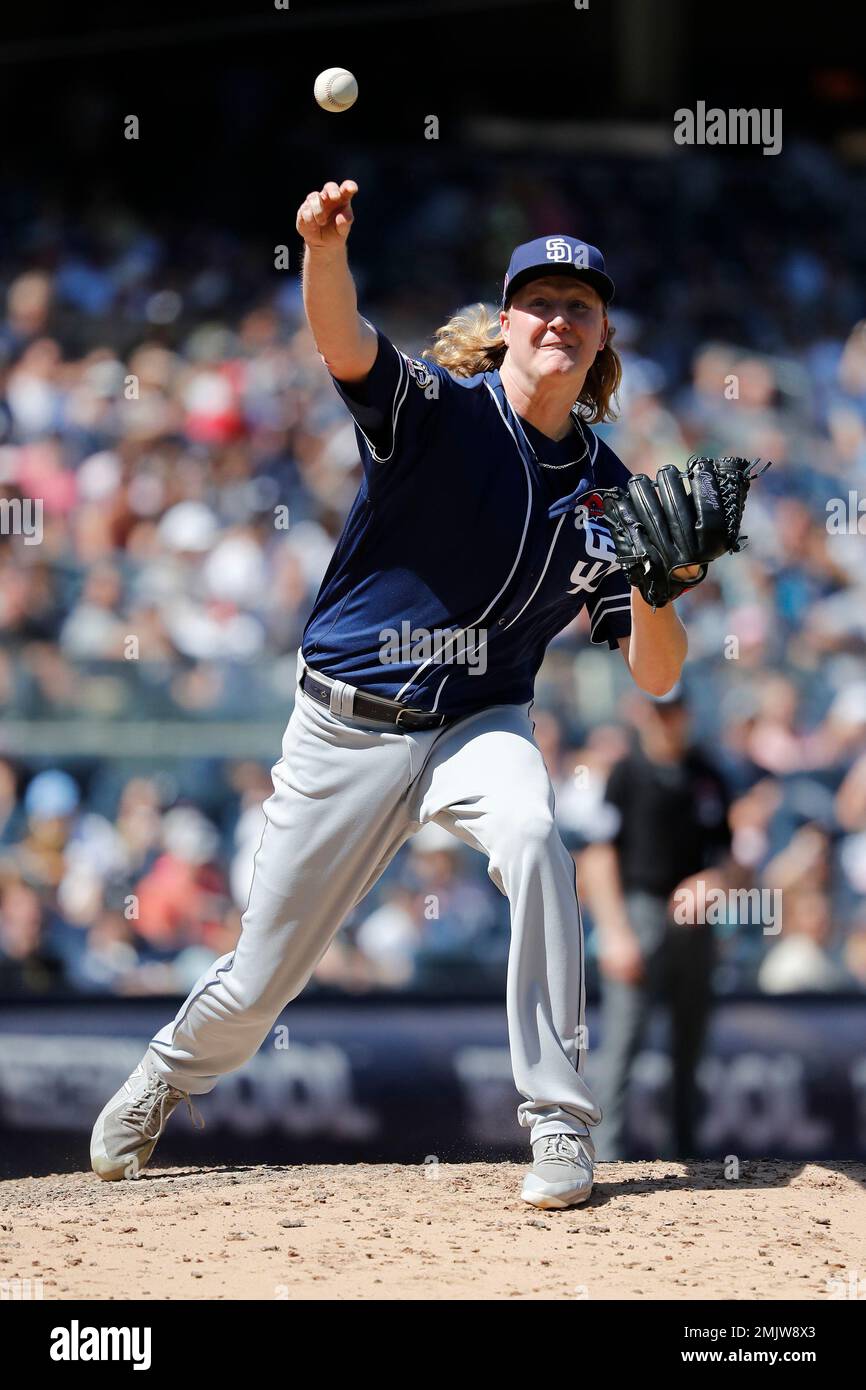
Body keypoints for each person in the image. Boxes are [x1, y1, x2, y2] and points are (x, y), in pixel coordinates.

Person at [89, 179, 701, 1210]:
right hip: (346, 723)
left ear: (599, 341)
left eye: (578, 307)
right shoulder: (435, 411)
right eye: (538, 301)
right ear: (503, 324)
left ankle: (558, 1117)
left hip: (479, 723)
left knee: (534, 833)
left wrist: (655, 590)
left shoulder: (608, 494)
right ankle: (166, 1073)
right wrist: (322, 251)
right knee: (259, 980)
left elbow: (658, 675)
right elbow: (343, 342)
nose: (556, 318)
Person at [581, 686, 734, 1160]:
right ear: (642, 713)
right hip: (639, 910)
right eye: (658, 711)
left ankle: (685, 1156)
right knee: (624, 1040)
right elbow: (599, 856)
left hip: (693, 919)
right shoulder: (626, 774)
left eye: (674, 711)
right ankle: (604, 1158)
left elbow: (732, 854)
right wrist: (614, 931)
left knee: (690, 1042)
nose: (667, 720)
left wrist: (717, 878)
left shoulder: (707, 773)